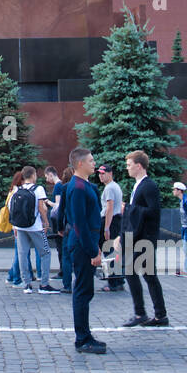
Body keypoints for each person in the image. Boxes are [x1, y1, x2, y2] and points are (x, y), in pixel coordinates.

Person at [118, 150, 168, 327]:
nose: (127, 168)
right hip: (140, 237)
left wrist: (130, 208)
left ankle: (141, 313)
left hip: (145, 238)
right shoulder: (139, 185)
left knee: (131, 271)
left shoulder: (148, 186)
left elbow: (154, 211)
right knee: (149, 276)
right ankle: (160, 315)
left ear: (139, 166)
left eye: (129, 165)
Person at [65, 148, 106, 354]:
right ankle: (82, 339)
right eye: (91, 160)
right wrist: (92, 251)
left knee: (85, 290)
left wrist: (95, 245)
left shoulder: (83, 185)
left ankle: (85, 335)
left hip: (85, 241)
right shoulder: (78, 187)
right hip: (82, 243)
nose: (94, 163)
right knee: (82, 291)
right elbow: (79, 222)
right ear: (80, 163)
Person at [12, 166, 59, 294]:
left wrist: (14, 226)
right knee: (45, 252)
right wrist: (45, 221)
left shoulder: (17, 189)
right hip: (35, 227)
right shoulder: (38, 189)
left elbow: (13, 210)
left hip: (20, 227)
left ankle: (26, 284)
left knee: (22, 254)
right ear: (33, 175)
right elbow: (41, 207)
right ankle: (44, 284)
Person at [98, 165, 125, 292]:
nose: (100, 176)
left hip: (110, 221)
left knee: (108, 251)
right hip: (115, 220)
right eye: (99, 173)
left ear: (110, 173)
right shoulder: (115, 186)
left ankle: (113, 282)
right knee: (114, 251)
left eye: (103, 173)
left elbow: (109, 207)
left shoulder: (109, 188)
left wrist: (106, 228)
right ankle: (118, 280)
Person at [49, 166, 72, 292]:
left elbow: (60, 209)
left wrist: (60, 228)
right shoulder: (89, 186)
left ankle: (67, 284)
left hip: (69, 226)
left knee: (66, 255)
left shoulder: (64, 188)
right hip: (82, 227)